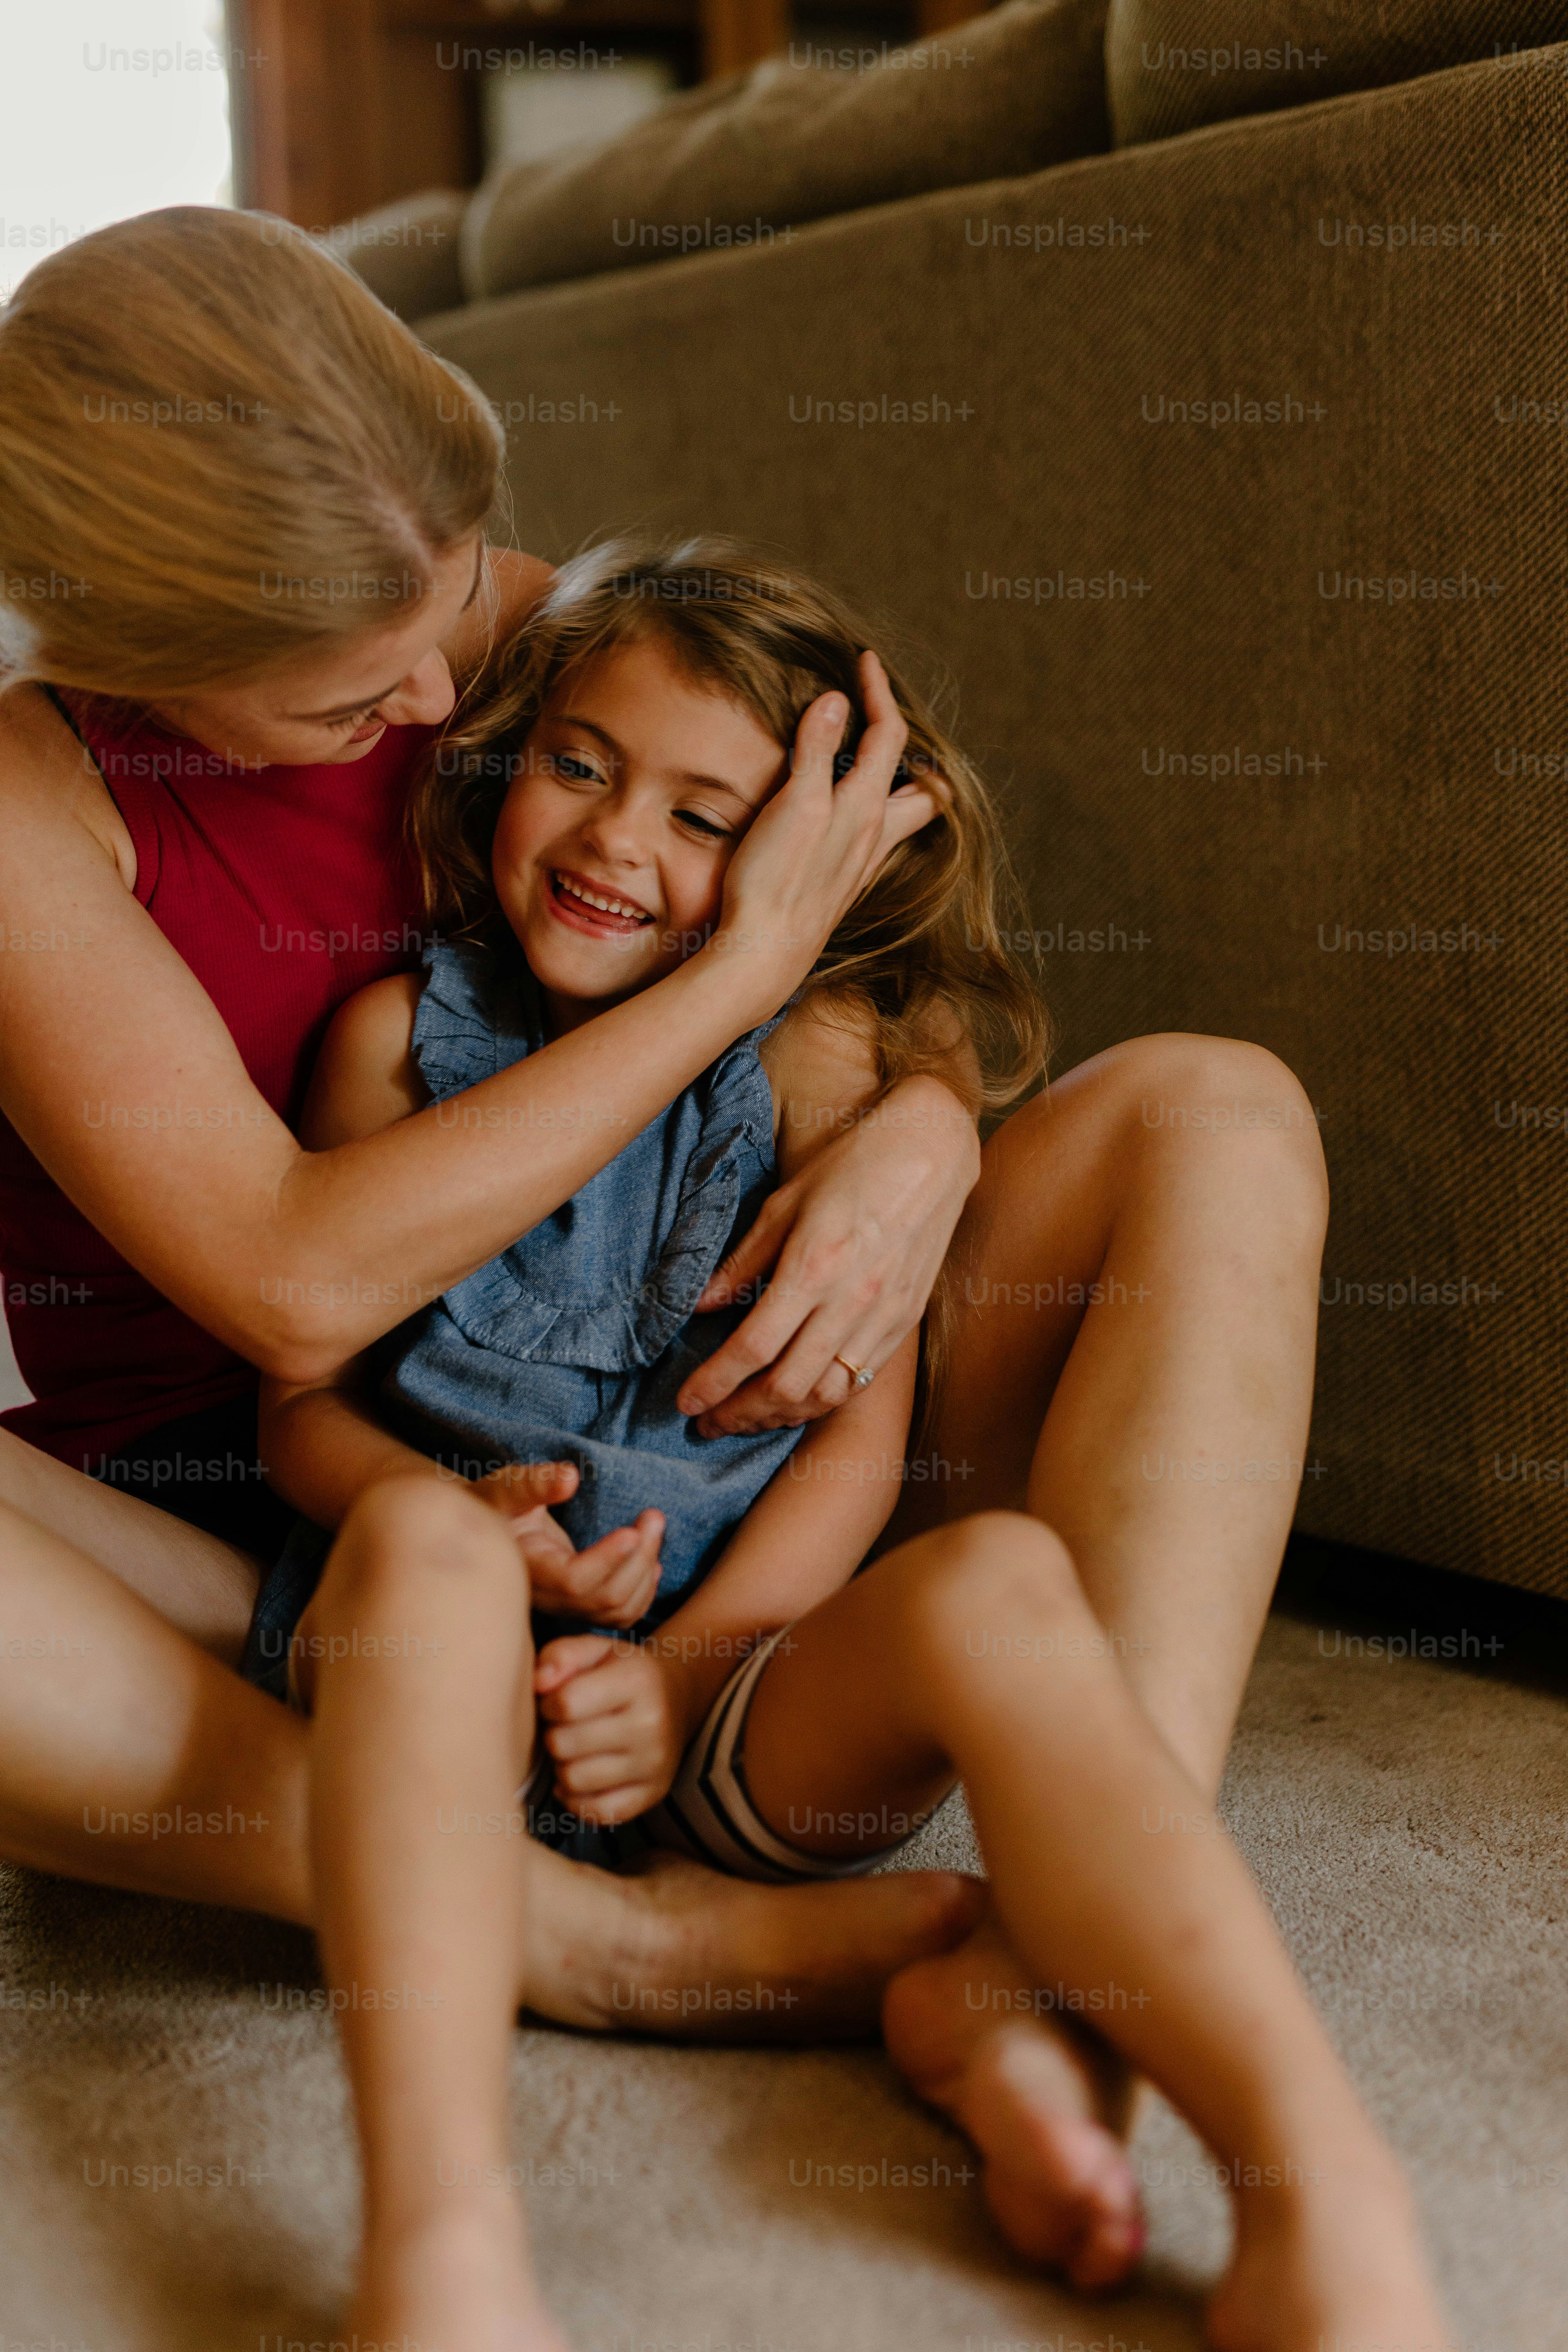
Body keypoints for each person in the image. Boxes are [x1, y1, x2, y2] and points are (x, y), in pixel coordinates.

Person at [0, 207, 1327, 2084]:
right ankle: (588, 1935)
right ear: (133, 645)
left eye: (452, 602)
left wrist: (928, 1118)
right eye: (347, 698)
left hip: (715, 1445)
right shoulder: (26, 813)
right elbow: (295, 1293)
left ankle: (1085, 1947)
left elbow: (876, 900)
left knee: (1222, 1110)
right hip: (258, 1546)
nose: (446, 706)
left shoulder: (515, 636)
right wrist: (743, 973)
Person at [244, 539, 1449, 2350]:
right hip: (446, 1682)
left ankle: (1310, 2174)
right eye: (581, 765)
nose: (613, 842)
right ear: (512, 755)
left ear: (806, 852)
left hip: (740, 1708)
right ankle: (441, 2258)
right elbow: (298, 1408)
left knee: (1007, 1582)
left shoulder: (815, 1072)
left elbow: (859, 1448)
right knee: (414, 1558)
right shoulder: (397, 1048)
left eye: (708, 814)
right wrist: (458, 1526)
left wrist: (702, 1663)